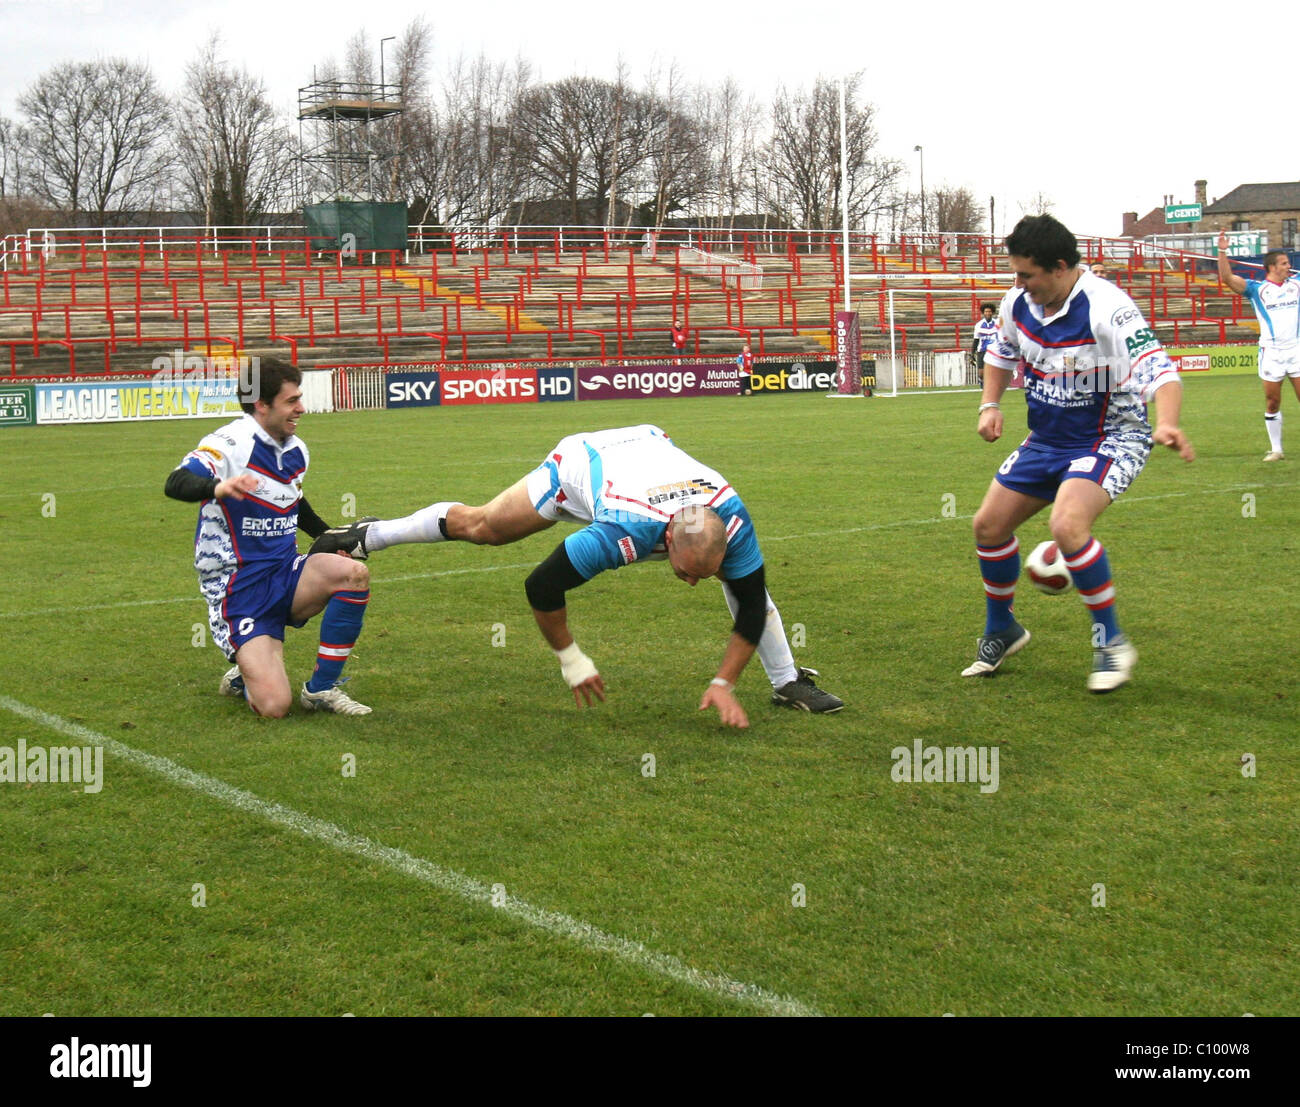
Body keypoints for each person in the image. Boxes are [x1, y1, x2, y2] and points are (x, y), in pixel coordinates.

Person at [309, 425, 843, 726]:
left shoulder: (732, 519)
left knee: (748, 584)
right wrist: (572, 658)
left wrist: (724, 682)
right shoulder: (619, 534)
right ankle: (371, 534)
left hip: (649, 450)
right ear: (666, 546)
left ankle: (787, 681)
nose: (691, 582)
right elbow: (541, 585)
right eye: (685, 572)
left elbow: (751, 599)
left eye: (705, 573)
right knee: (484, 527)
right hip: (582, 464)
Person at [967, 215, 1195, 692]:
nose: (1018, 284)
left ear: (1060, 267)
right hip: (1046, 438)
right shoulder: (1017, 303)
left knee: (1067, 525)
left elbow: (1162, 372)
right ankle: (1002, 629)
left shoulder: (1108, 308)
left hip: (1111, 436)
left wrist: (1169, 422)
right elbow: (1000, 354)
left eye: (1027, 274)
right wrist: (991, 404)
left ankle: (1111, 642)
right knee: (987, 526)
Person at [164, 357, 374, 717]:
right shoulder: (229, 442)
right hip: (239, 586)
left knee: (351, 574)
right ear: (261, 405)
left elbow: (293, 500)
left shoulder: (296, 449)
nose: (301, 408)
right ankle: (244, 672)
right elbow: (176, 482)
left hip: (284, 570)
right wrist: (219, 487)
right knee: (275, 707)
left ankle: (321, 689)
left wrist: (328, 535)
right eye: (291, 401)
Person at [1216, 230, 1300, 461]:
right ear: (1272, 267)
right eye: (1284, 263)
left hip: (1296, 350)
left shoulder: (1297, 283)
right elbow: (1227, 278)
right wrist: (1222, 251)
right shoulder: (1257, 289)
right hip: (1271, 352)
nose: (1288, 266)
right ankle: (1276, 449)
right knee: (1272, 401)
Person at [970, 303, 999, 385]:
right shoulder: (978, 325)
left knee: (993, 371)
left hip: (994, 350)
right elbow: (976, 340)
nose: (988, 313)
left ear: (992, 312)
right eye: (986, 311)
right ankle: (982, 383)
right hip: (982, 350)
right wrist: (972, 354)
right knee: (981, 373)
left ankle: (991, 388)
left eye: (989, 311)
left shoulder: (997, 323)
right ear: (983, 313)